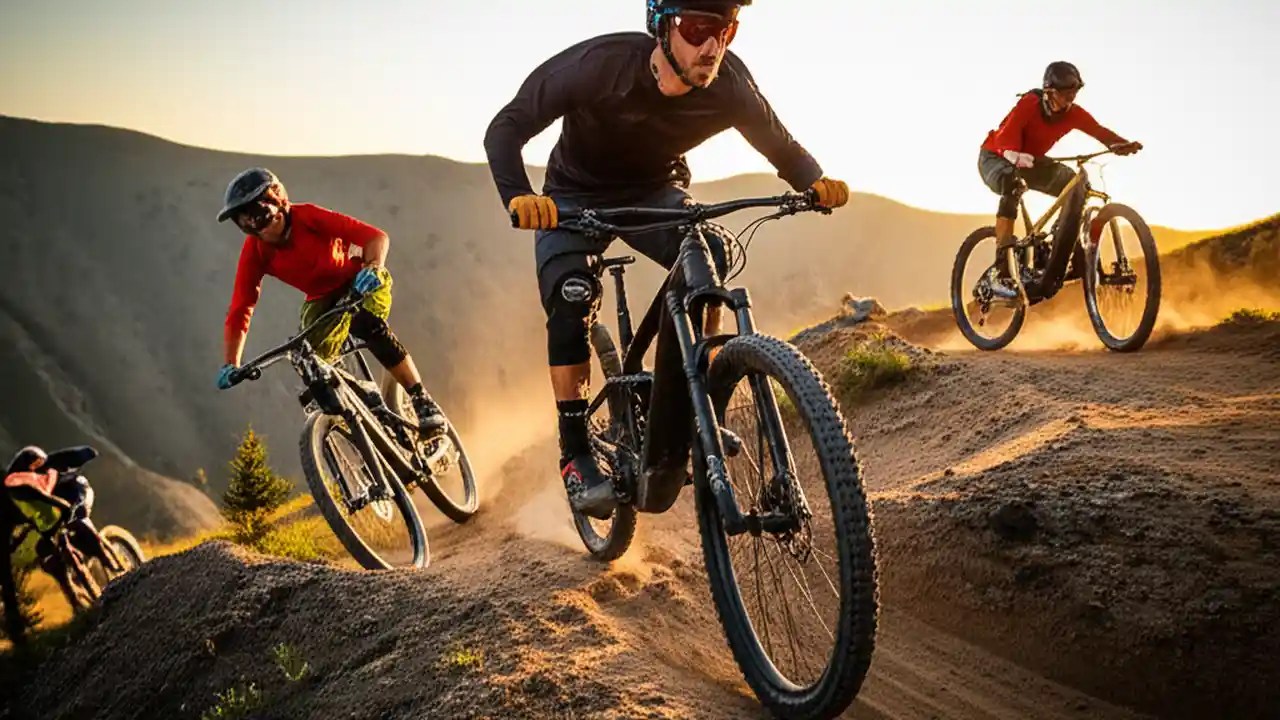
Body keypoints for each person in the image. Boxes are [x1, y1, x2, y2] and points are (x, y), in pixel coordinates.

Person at [483, 0, 851, 519]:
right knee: (572, 296)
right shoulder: (599, 66)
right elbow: (506, 127)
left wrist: (814, 181)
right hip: (571, 198)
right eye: (698, 28)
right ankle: (575, 453)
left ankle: (691, 404)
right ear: (661, 25)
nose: (712, 46)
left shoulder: (729, 84)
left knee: (710, 254)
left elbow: (780, 145)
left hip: (655, 192)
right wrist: (519, 195)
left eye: (726, 31)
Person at [214, 168, 446, 437]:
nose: (258, 227)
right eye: (245, 221)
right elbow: (241, 307)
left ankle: (421, 399)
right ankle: (361, 407)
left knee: (366, 324)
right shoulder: (254, 251)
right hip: (321, 298)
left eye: (259, 213)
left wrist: (373, 266)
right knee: (307, 360)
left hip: (360, 279)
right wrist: (231, 363)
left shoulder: (308, 217)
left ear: (278, 202)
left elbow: (375, 237)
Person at [978, 61, 1142, 297]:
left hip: (1030, 161)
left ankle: (1060, 246)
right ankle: (1002, 272)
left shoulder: (1073, 114)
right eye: (1064, 94)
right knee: (1012, 185)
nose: (1069, 99)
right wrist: (1013, 155)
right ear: (1048, 91)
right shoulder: (1029, 104)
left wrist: (1120, 144)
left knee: (1075, 185)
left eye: (1073, 93)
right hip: (995, 157)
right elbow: (1006, 136)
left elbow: (1097, 130)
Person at [1, 445, 105, 644]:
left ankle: (102, 562)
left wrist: (84, 454)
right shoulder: (11, 498)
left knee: (77, 528)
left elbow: (59, 459)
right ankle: (77, 601)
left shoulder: (30, 476)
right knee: (51, 558)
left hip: (63, 506)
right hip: (46, 523)